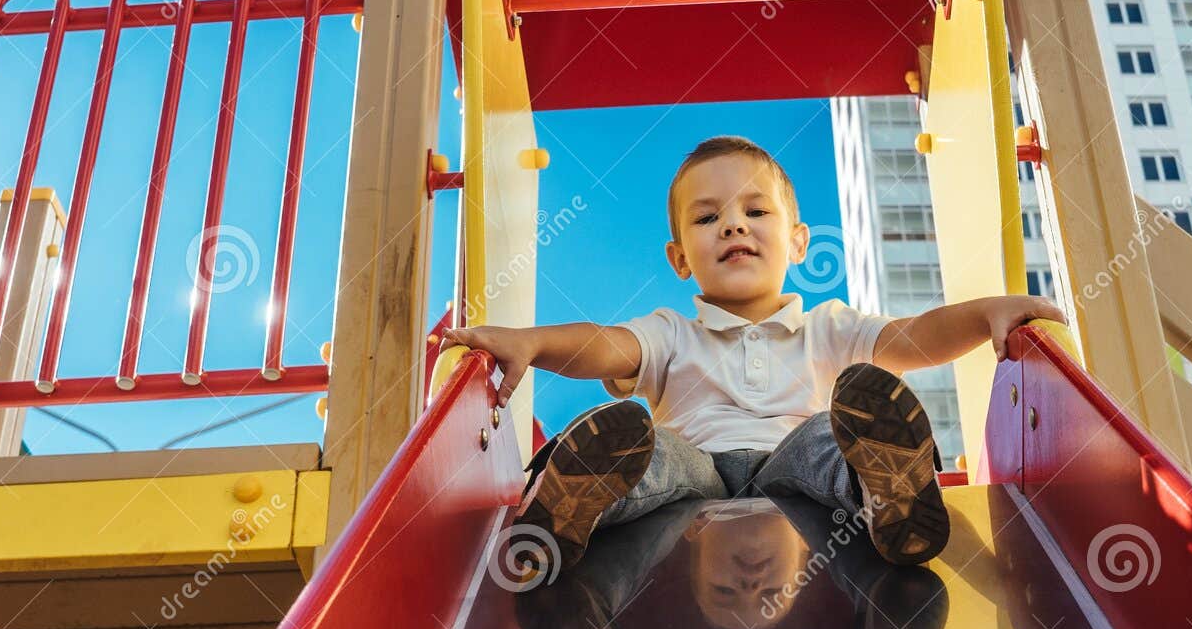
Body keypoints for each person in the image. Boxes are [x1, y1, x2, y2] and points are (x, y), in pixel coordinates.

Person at [441, 135, 1065, 573]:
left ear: (797, 242)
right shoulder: (670, 332)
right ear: (680, 258)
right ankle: (571, 507)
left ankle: (888, 500)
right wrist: (533, 342)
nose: (733, 225)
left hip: (791, 476)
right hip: (699, 477)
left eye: (755, 210)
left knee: (830, 434)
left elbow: (916, 336)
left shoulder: (830, 327)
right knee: (651, 449)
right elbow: (604, 347)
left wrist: (985, 314)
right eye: (708, 217)